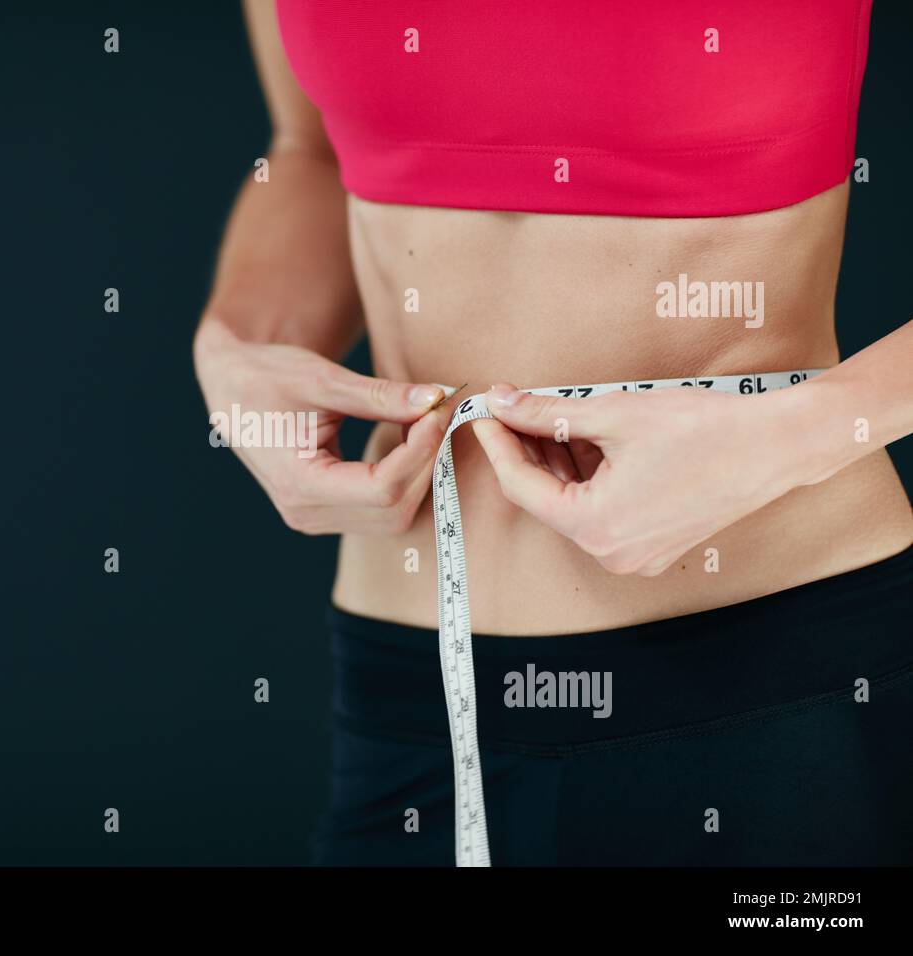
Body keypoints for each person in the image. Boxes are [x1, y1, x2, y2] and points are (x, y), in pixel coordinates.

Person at [193, 0, 913, 865]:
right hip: (410, 689)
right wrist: (233, 351)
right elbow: (307, 152)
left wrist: (795, 431)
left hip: (775, 677)